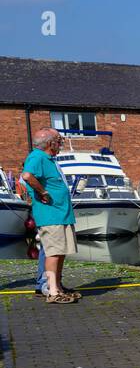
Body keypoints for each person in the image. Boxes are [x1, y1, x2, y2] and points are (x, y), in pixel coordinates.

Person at [21, 129, 78, 303]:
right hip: (51, 215)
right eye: (58, 140)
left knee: (60, 252)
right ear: (50, 143)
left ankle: (58, 286)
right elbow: (27, 175)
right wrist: (42, 192)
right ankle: (52, 290)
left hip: (61, 214)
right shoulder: (37, 156)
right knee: (53, 252)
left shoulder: (50, 160)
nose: (60, 143)